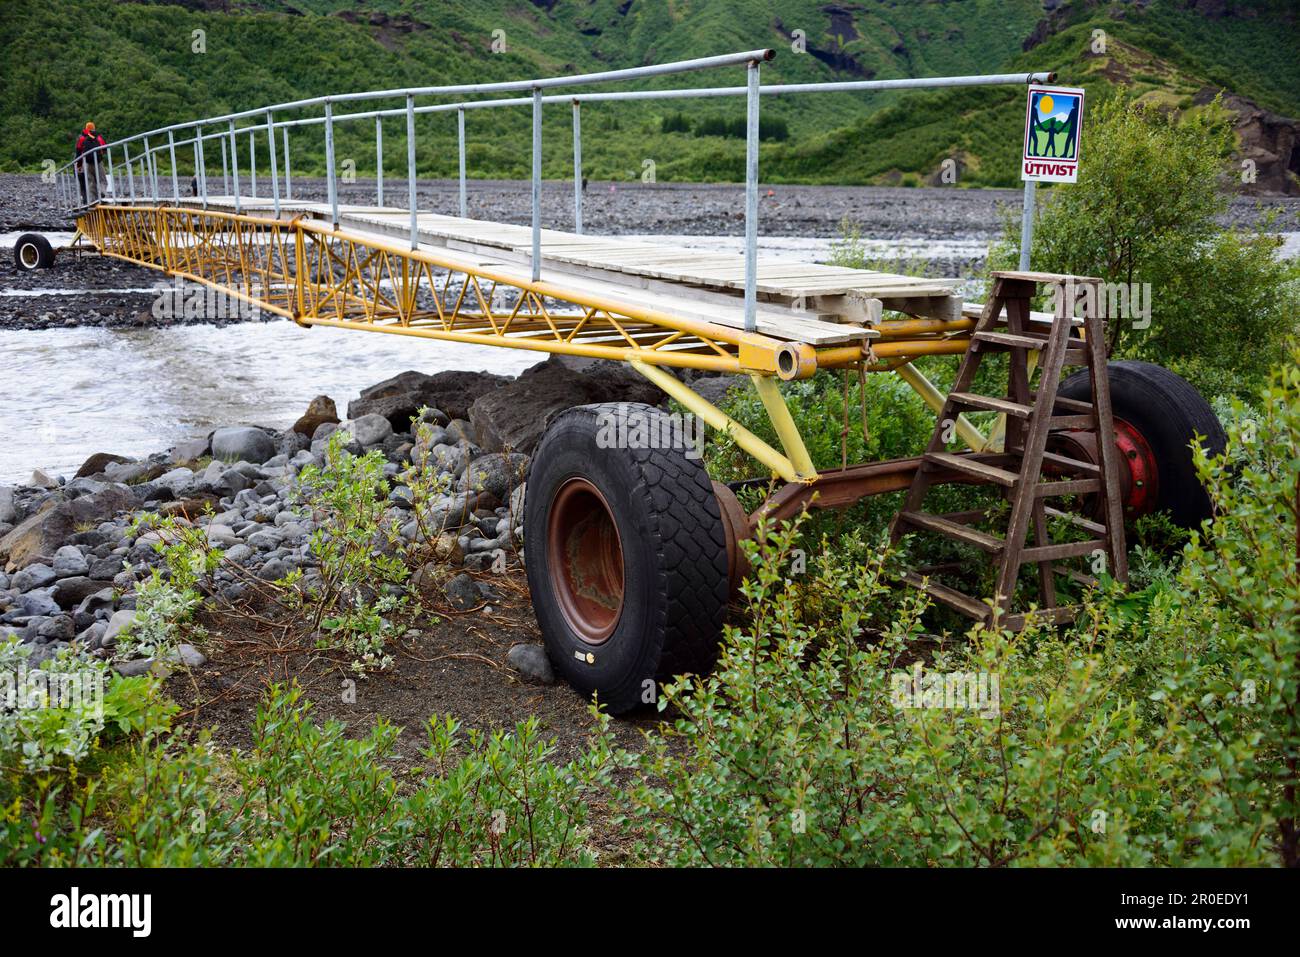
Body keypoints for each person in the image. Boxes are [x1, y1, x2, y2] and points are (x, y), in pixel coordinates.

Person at [75, 121, 106, 205]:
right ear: (94, 128)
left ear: (86, 128)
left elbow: (78, 152)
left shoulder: (81, 138)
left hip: (86, 162)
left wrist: (79, 165)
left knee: (90, 181)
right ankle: (102, 192)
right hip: (98, 161)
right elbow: (104, 148)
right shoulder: (99, 137)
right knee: (102, 179)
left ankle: (93, 199)